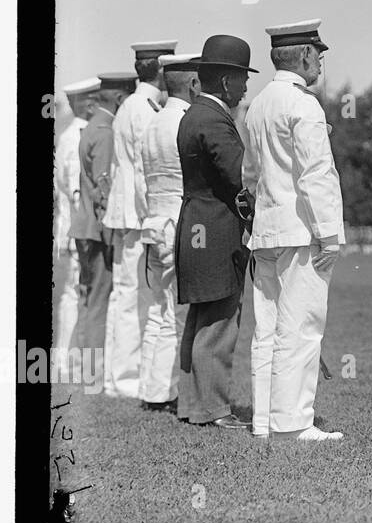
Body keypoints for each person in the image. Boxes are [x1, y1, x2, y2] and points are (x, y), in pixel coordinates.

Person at [244, 19, 345, 443]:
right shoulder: (304, 105)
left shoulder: (259, 103)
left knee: (266, 329)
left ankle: (264, 420)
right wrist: (331, 234)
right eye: (317, 54)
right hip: (301, 231)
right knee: (301, 327)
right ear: (304, 55)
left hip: (265, 230)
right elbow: (316, 175)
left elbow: (249, 174)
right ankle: (294, 422)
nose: (320, 62)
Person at [175, 36, 256, 429]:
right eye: (242, 79)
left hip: (196, 224)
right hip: (217, 228)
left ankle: (193, 404)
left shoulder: (195, 114)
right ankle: (215, 410)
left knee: (201, 316)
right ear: (226, 82)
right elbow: (241, 175)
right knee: (220, 320)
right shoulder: (215, 120)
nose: (245, 88)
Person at [101, 40, 177, 397]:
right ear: (161, 70)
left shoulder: (131, 104)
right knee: (134, 298)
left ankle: (117, 377)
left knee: (124, 295)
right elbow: (148, 170)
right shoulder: (146, 108)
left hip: (125, 210)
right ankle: (126, 377)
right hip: (137, 212)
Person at [138, 52, 200, 412]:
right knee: (177, 314)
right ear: (192, 84)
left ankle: (153, 390)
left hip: (153, 223)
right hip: (179, 223)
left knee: (158, 313)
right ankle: (172, 392)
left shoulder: (153, 123)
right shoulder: (186, 124)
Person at [70, 72, 136, 383]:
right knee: (97, 300)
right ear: (120, 99)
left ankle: (83, 366)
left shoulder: (91, 126)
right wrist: (111, 233)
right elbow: (103, 188)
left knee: (87, 298)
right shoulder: (105, 131)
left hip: (82, 226)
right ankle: (91, 373)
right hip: (96, 229)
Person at [53, 77, 99, 374]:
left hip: (75, 228)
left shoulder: (77, 133)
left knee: (79, 293)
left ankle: (70, 357)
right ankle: (64, 359)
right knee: (74, 293)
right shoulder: (73, 137)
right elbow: (74, 190)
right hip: (75, 229)